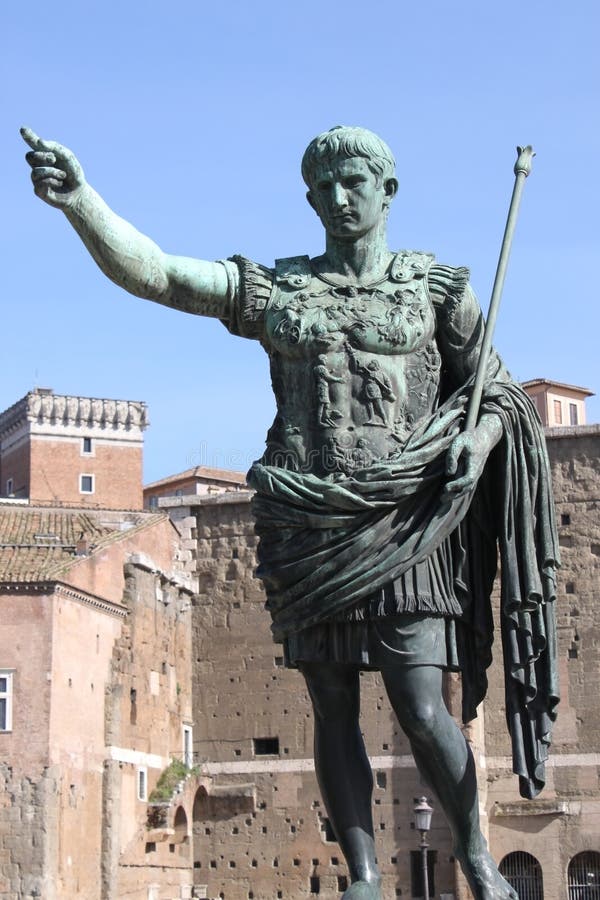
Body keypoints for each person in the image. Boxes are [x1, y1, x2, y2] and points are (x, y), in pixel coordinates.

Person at [22, 124, 558, 900]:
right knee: (330, 699)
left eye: (354, 183)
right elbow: (161, 274)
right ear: (309, 198)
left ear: (387, 193)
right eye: (325, 187)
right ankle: (366, 875)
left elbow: (500, 394)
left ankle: (476, 853)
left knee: (420, 703)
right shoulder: (281, 291)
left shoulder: (437, 290)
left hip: (406, 524)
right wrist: (82, 204)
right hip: (309, 526)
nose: (340, 198)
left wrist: (475, 438)